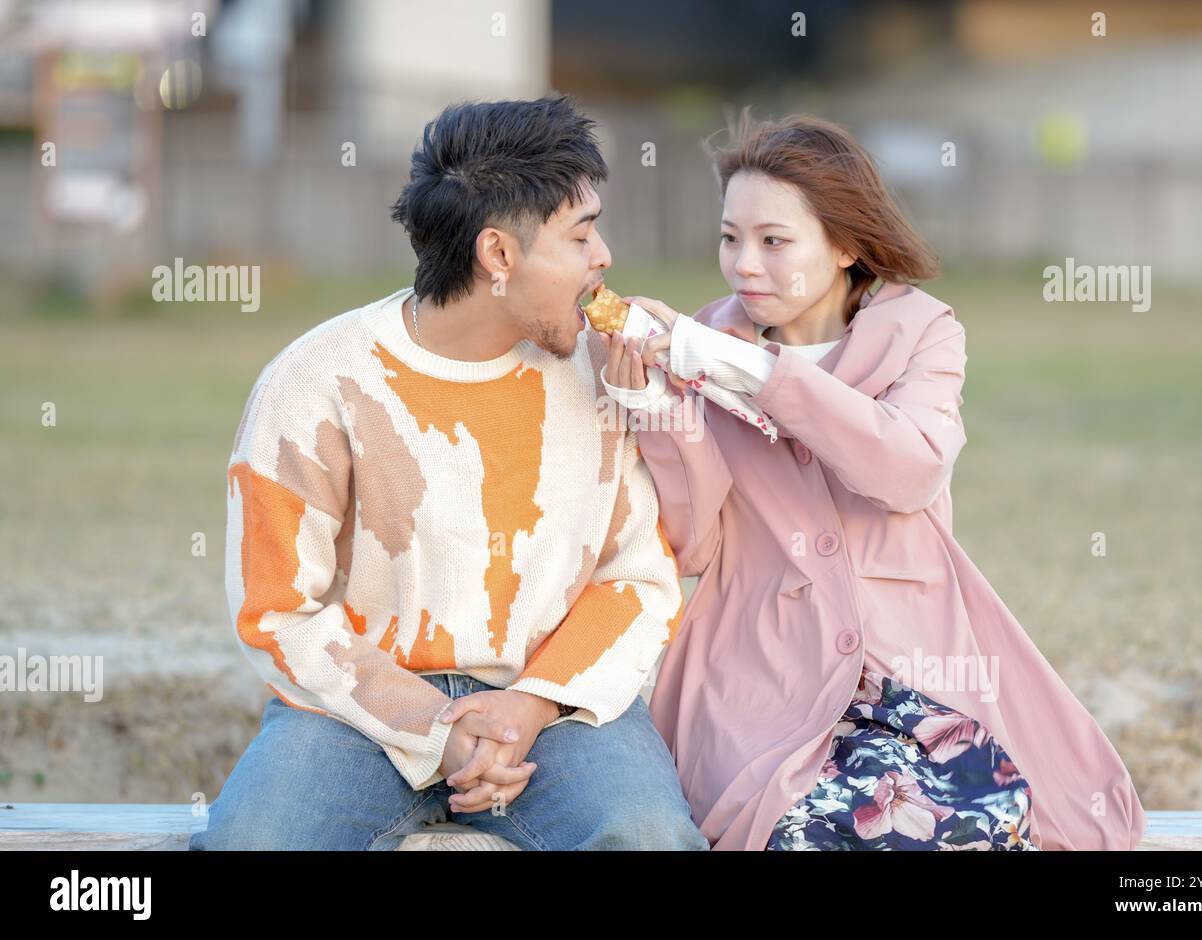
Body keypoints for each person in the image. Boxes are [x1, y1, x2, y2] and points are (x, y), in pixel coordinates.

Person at [596, 110, 1147, 850]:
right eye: (730, 238)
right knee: (808, 829)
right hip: (763, 678)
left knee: (980, 818)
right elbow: (692, 543)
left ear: (846, 244)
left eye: (773, 241)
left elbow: (907, 468)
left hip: (916, 668)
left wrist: (742, 369)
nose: (744, 264)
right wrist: (656, 407)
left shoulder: (922, 331)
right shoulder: (701, 343)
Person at [190, 94, 708, 851]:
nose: (604, 256)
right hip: (354, 715)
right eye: (582, 234)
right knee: (254, 843)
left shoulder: (604, 374)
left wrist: (525, 707)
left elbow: (636, 579)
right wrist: (437, 728)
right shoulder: (317, 381)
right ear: (498, 256)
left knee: (650, 837)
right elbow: (277, 611)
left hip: (557, 710)